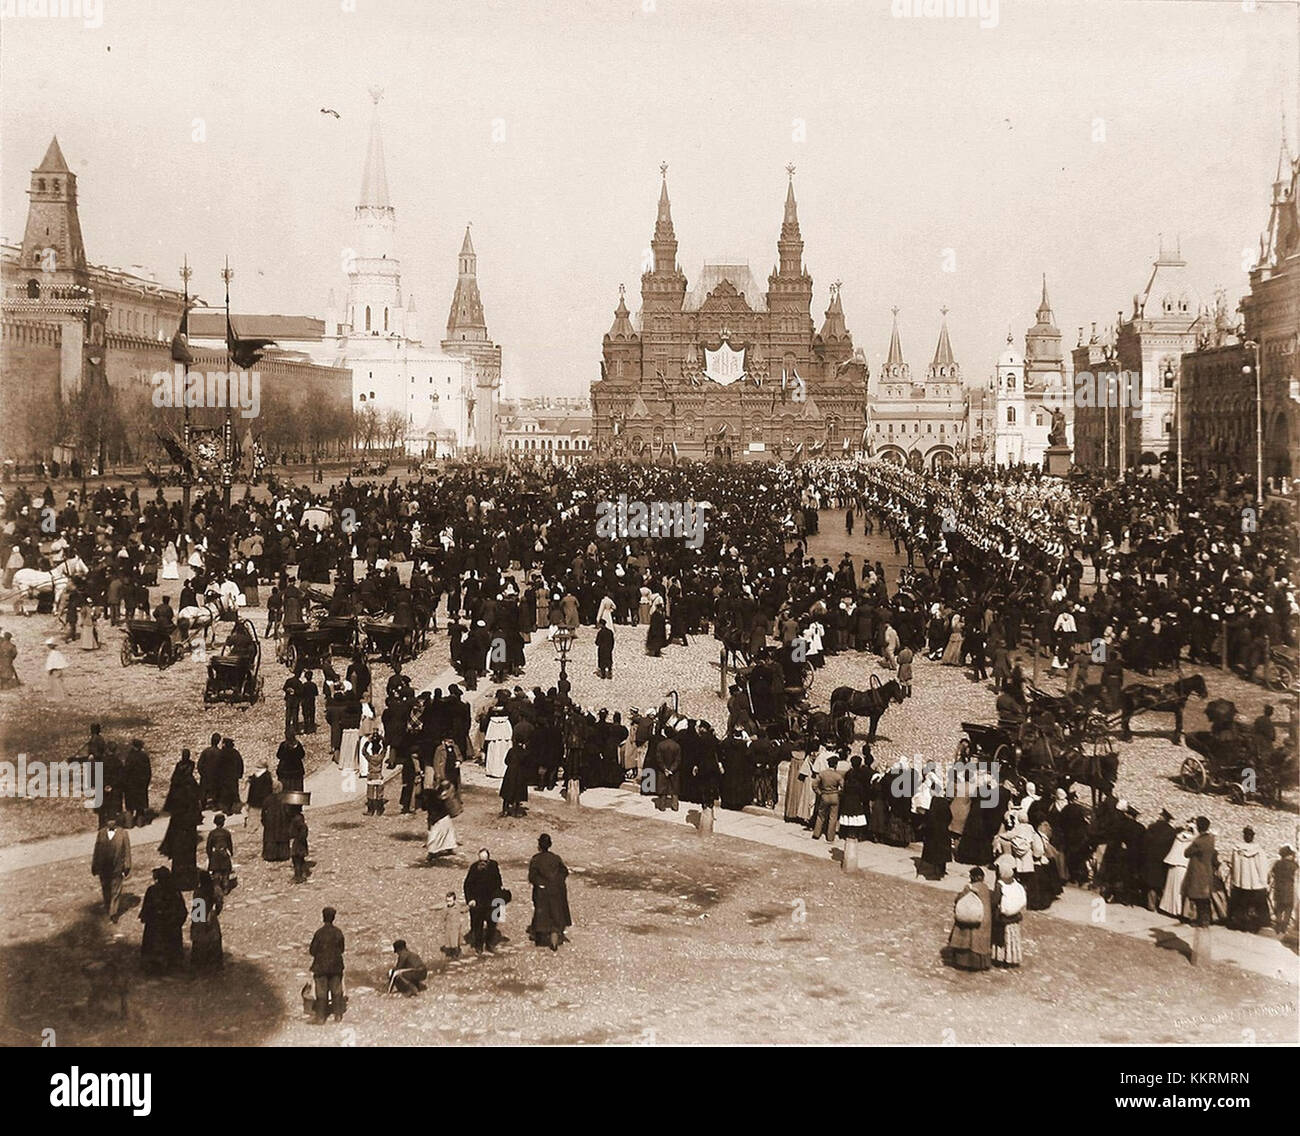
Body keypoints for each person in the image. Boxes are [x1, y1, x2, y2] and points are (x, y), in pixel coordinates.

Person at [139, 866, 188, 974]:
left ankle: (155, 965)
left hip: (156, 925)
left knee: (155, 945)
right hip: (171, 924)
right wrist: (177, 922)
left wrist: (147, 918)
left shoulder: (152, 890)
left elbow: (147, 908)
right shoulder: (175, 890)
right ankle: (172, 963)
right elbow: (182, 909)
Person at [528, 832, 571, 951]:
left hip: (541, 892)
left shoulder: (536, 859)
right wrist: (557, 882)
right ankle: (554, 940)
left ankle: (540, 938)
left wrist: (541, 884)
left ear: (539, 845)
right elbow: (564, 872)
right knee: (555, 915)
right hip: (555, 891)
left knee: (541, 914)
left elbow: (532, 877)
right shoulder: (556, 858)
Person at [946, 866, 993, 971]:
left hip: (973, 917)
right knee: (978, 942)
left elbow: (959, 899)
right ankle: (981, 963)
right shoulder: (986, 888)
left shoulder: (970, 888)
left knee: (965, 931)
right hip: (985, 920)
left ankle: (963, 961)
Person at [1227, 826, 1270, 933]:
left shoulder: (1237, 849)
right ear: (1253, 836)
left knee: (1241, 904)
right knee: (1254, 905)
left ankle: (1240, 924)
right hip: (1255, 883)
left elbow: (1234, 866)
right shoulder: (1259, 850)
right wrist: (1263, 881)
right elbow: (1262, 867)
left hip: (1241, 882)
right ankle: (1253, 926)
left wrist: (1235, 879)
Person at [464, 847, 505, 954]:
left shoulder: (494, 866)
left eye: (485, 861)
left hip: (492, 900)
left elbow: (499, 882)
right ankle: (478, 946)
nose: (483, 864)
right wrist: (470, 899)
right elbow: (467, 885)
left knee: (492, 923)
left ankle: (490, 944)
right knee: (478, 924)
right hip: (478, 900)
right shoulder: (473, 868)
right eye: (481, 861)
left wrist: (499, 899)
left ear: (489, 859)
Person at [309, 907, 346, 1023]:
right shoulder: (338, 932)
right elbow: (342, 949)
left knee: (321, 992)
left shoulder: (319, 933)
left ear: (323, 917)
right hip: (335, 966)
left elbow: (312, 951)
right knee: (336, 991)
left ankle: (320, 1017)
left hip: (321, 967)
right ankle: (338, 1016)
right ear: (333, 918)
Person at [91, 815, 131, 922]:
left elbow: (127, 850)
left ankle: (114, 913)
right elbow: (97, 850)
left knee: (116, 890)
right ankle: (108, 907)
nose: (111, 822)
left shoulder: (123, 833)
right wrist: (94, 865)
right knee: (106, 889)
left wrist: (127, 865)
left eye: (113, 820)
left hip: (117, 867)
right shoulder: (101, 833)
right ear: (106, 822)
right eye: (109, 820)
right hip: (104, 868)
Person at [1181, 816, 1217, 927]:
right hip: (1207, 870)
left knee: (1197, 897)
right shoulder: (1211, 839)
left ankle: (1199, 919)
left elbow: (1186, 853)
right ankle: (1206, 919)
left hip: (1197, 871)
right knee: (1205, 898)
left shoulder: (1198, 841)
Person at [991, 862, 1027, 968]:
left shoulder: (1000, 885)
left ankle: (1001, 957)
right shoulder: (1017, 884)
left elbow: (995, 901)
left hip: (1003, 918)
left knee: (1001, 938)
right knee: (1012, 938)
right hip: (1015, 917)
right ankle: (1012, 957)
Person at [189, 871, 224, 972]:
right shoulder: (215, 890)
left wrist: (195, 922)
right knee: (214, 940)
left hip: (201, 918)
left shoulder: (199, 892)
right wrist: (214, 913)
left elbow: (197, 910)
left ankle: (200, 964)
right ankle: (214, 963)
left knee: (200, 940)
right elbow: (219, 905)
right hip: (211, 917)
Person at [811, 754, 844, 842]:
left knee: (820, 815)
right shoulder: (838, 776)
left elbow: (814, 785)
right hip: (834, 796)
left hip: (824, 795)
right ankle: (830, 836)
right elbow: (843, 787)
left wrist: (819, 792)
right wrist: (838, 793)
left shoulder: (822, 774)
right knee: (833, 817)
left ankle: (816, 833)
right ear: (836, 765)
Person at [1269, 845, 1296, 938]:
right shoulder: (1294, 865)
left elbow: (1272, 873)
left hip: (1279, 889)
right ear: (1288, 855)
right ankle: (1284, 927)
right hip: (1289, 890)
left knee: (1279, 909)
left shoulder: (1277, 864)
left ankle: (1278, 925)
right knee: (1289, 908)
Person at [206, 813, 234, 894]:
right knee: (225, 873)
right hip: (224, 853)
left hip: (215, 855)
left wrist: (210, 855)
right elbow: (230, 844)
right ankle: (226, 888)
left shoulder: (212, 833)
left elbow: (208, 846)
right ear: (223, 822)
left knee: (216, 873)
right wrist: (231, 853)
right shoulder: (226, 833)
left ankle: (217, 888)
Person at [437, 891, 465, 957]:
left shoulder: (457, 906)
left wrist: (469, 907)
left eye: (450, 901)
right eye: (447, 901)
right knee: (450, 941)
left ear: (454, 900)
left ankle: (457, 952)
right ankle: (452, 954)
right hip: (449, 927)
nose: (448, 903)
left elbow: (463, 910)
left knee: (456, 940)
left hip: (457, 927)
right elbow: (442, 919)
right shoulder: (446, 909)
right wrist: (442, 927)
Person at [289, 806, 310, 883]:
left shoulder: (296, 819)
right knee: (300, 859)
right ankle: (302, 873)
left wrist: (299, 839)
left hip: (298, 842)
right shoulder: (299, 817)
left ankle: (298, 876)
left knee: (296, 859)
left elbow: (303, 829)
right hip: (300, 842)